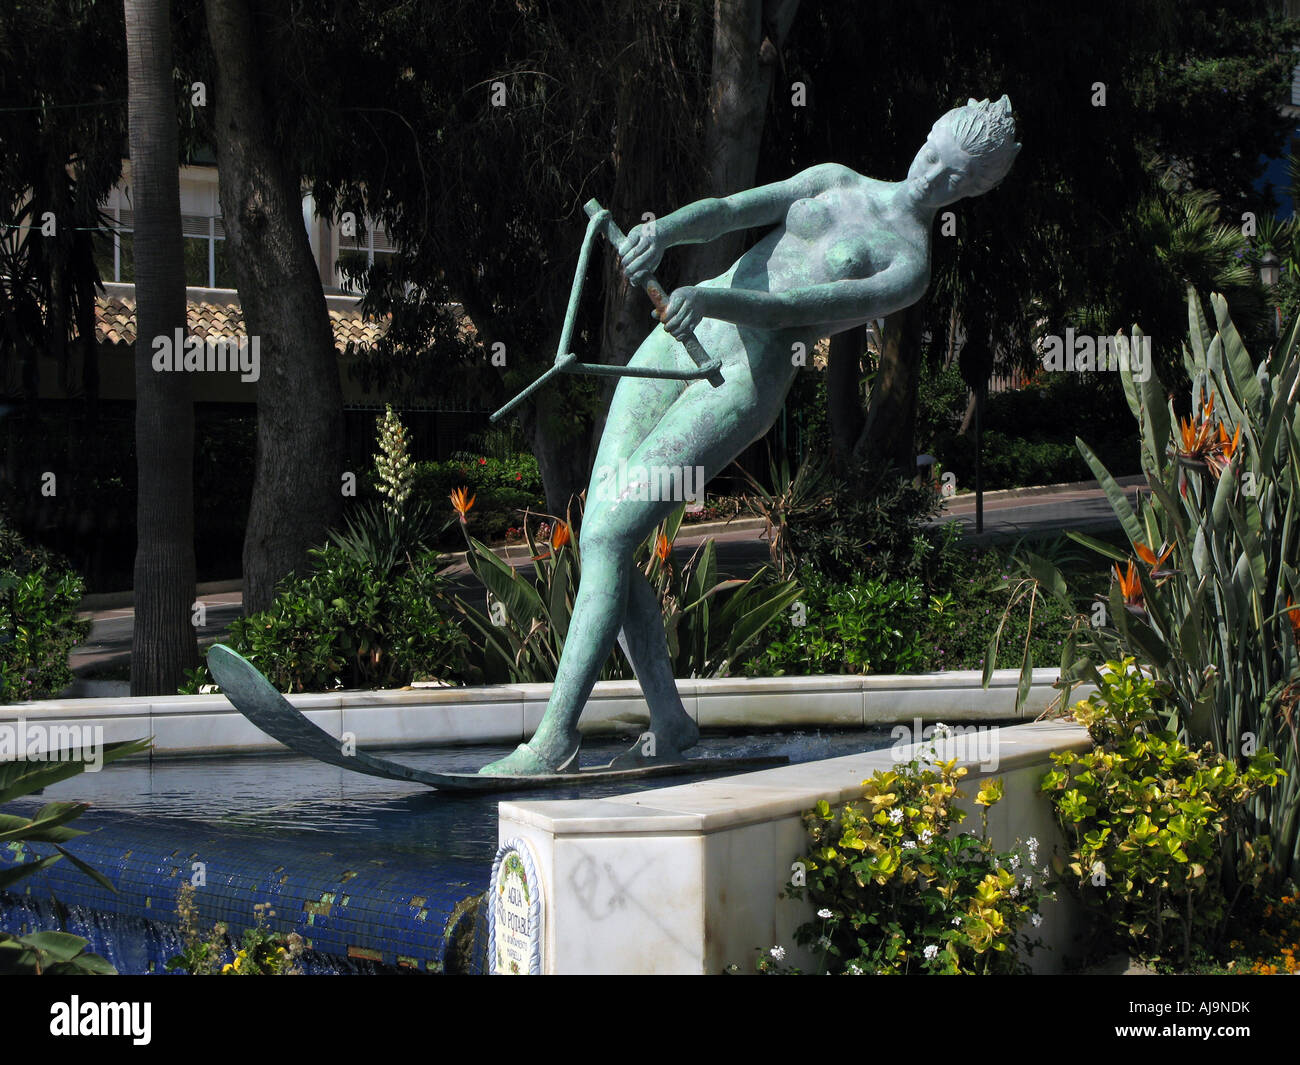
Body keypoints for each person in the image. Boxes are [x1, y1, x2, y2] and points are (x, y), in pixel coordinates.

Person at [480, 96, 1020, 775]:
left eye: (955, 178)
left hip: (740, 376)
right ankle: (670, 723)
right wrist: (666, 233)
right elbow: (734, 209)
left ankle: (555, 737)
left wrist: (713, 300)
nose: (933, 176)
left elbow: (799, 310)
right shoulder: (836, 178)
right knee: (602, 535)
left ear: (970, 191)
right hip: (683, 330)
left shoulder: (909, 265)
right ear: (928, 134)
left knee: (613, 533)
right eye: (936, 156)